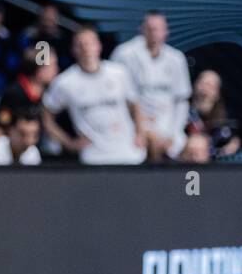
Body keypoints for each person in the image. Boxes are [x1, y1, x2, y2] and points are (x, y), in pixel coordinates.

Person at [43, 26, 145, 164]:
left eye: (90, 43)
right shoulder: (65, 82)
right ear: (73, 50)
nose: (86, 49)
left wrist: (140, 134)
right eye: (80, 44)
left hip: (129, 153)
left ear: (98, 46)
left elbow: (135, 105)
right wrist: (69, 143)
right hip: (93, 158)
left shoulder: (119, 73)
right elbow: (46, 116)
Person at [111, 11, 191, 160]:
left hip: (168, 126)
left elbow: (181, 100)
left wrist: (173, 133)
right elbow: (117, 98)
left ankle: (192, 183)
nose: (154, 33)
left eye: (158, 28)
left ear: (166, 32)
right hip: (133, 127)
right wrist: (140, 130)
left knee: (195, 148)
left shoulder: (176, 59)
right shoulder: (124, 54)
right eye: (150, 28)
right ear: (142, 30)